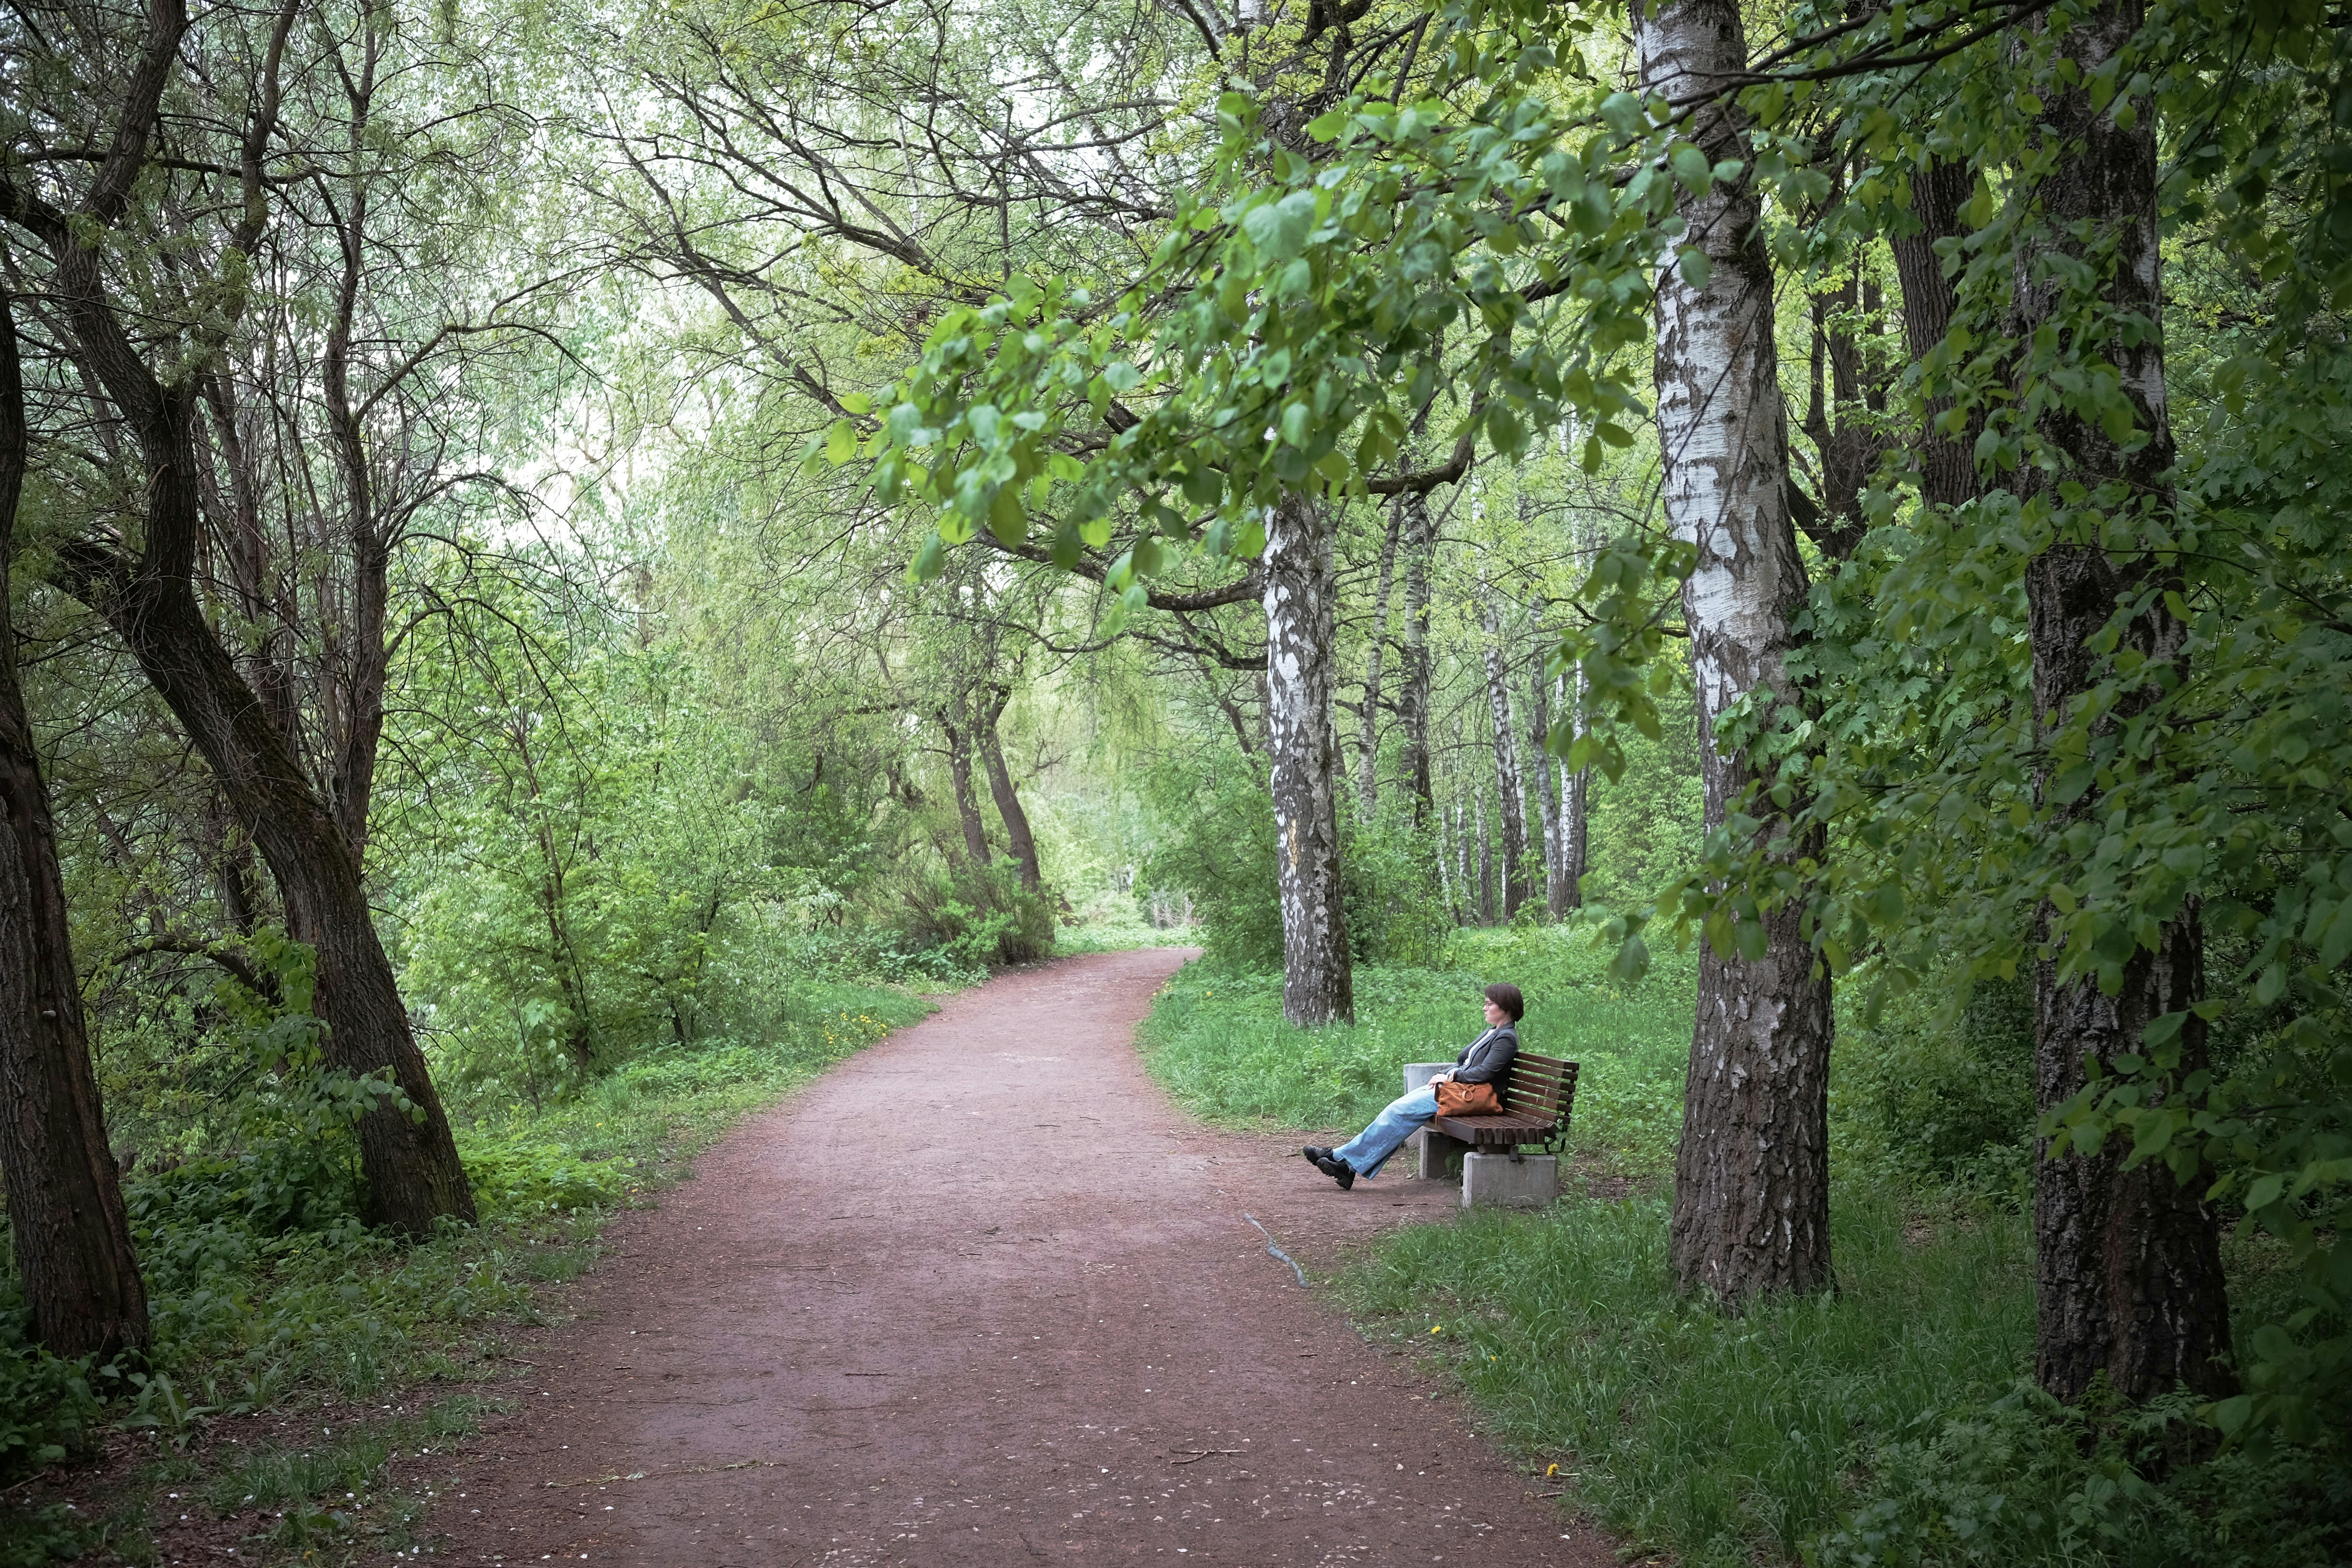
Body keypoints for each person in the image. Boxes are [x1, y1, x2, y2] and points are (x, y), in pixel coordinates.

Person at [1302, 983, 1522, 1190]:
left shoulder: (1506, 1038)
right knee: (1396, 1109)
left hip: (1471, 1097)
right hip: (1459, 1091)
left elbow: (1485, 1073)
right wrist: (1445, 1074)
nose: (1484, 1008)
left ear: (1505, 1008)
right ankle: (1346, 1164)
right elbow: (1467, 1062)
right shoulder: (1493, 1032)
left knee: (1399, 1112)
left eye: (1489, 1004)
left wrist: (1452, 1076)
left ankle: (1341, 1159)